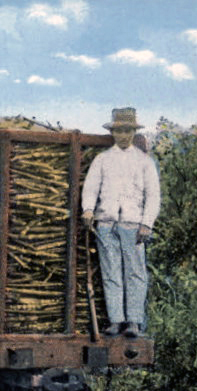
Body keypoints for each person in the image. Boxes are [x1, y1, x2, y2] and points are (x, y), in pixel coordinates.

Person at [81, 108, 161, 338]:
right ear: (113, 132)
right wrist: (88, 209)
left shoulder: (144, 161)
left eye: (127, 131)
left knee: (135, 273)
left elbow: (153, 195)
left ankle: (134, 321)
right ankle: (116, 320)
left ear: (133, 132)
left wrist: (147, 223)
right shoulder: (103, 159)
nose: (123, 136)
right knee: (111, 272)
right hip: (106, 222)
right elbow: (91, 187)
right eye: (119, 131)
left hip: (132, 225)